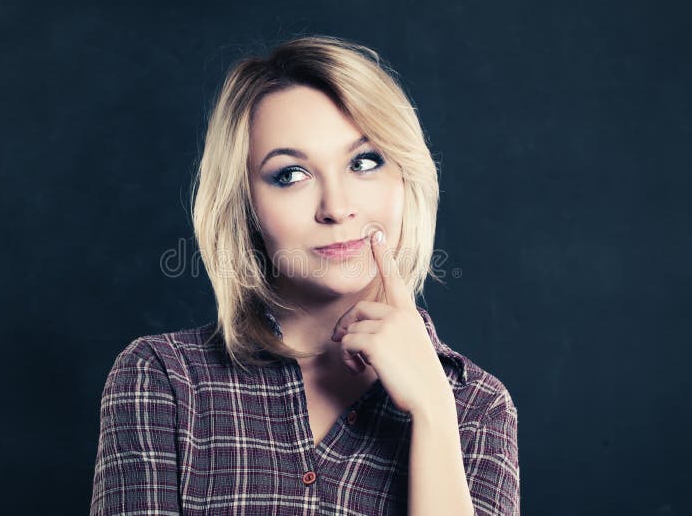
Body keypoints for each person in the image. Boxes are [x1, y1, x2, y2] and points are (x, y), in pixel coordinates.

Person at [89, 35, 519, 515]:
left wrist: (434, 415)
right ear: (245, 205)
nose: (336, 208)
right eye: (291, 175)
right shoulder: (165, 379)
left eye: (364, 162)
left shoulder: (478, 409)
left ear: (406, 178)